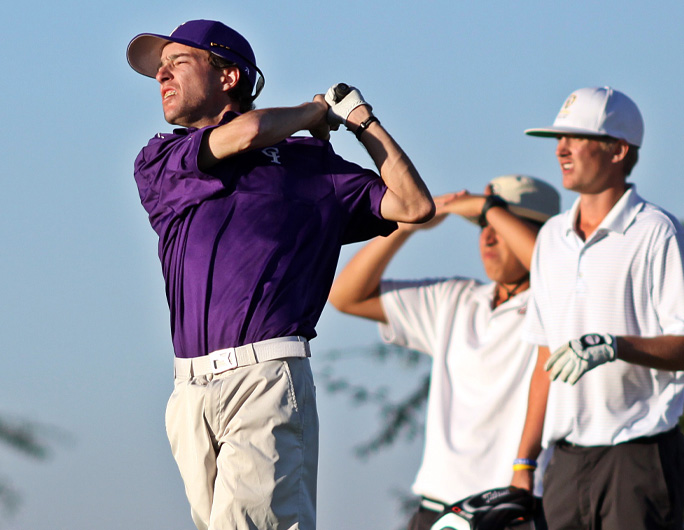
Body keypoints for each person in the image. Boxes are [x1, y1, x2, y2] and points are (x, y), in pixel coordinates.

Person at [126, 19, 434, 530]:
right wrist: (315, 111)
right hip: (189, 393)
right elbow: (247, 132)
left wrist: (362, 122)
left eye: (178, 62)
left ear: (228, 76)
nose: (163, 76)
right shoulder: (161, 158)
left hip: (264, 376)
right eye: (159, 70)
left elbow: (414, 205)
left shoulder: (311, 165)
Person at [329, 174, 560, 530]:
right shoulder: (455, 298)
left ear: (544, 236)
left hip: (511, 509)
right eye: (481, 224)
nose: (488, 235)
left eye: (502, 222)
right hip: (434, 508)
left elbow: (556, 274)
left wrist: (485, 207)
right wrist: (407, 225)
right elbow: (346, 296)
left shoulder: (559, 308)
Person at [509, 86, 684, 529]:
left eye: (575, 138)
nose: (560, 150)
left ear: (618, 150)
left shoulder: (657, 232)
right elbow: (544, 358)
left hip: (639, 457)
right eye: (557, 140)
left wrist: (614, 345)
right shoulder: (551, 237)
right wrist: (523, 463)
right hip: (565, 465)